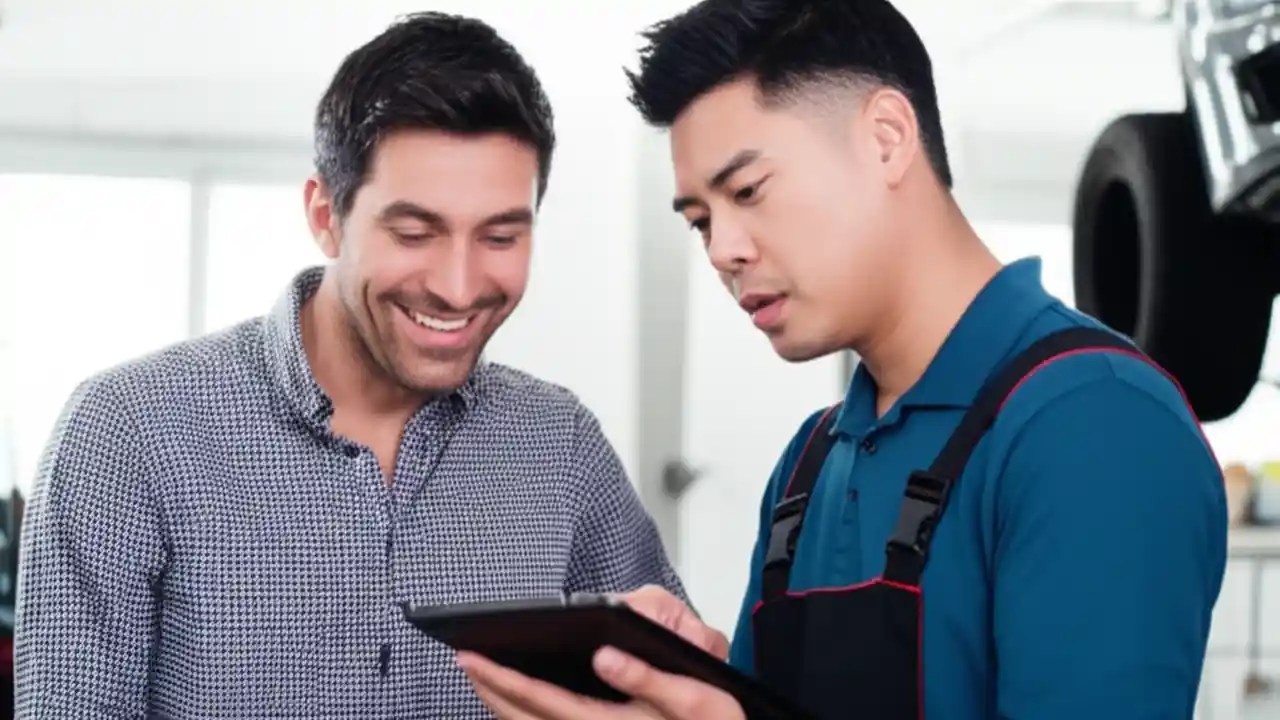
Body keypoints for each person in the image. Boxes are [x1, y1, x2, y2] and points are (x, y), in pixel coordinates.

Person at [459, 1, 1228, 718]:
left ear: (886, 137)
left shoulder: (1094, 423)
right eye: (700, 221)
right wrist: (695, 686)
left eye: (749, 190)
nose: (724, 250)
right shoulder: (808, 465)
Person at [15, 12, 683, 719]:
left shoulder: (561, 444)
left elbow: (678, 686)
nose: (458, 287)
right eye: (414, 232)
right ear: (325, 214)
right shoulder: (126, 433)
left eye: (499, 235)